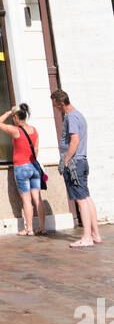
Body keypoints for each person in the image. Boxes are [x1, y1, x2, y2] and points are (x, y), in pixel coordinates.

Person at [51, 89, 102, 248]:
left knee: (81, 200)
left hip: (75, 163)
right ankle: (95, 234)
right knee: (86, 197)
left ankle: (87, 237)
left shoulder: (71, 117)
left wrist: (66, 159)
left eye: (56, 105)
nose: (56, 108)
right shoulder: (79, 115)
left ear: (61, 103)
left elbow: (75, 140)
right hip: (82, 161)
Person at [0, 102, 46, 236]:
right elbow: (36, 150)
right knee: (37, 198)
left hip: (21, 167)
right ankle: (42, 227)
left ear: (17, 117)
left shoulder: (15, 130)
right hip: (34, 167)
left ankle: (29, 229)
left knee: (26, 200)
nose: (13, 119)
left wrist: (8, 112)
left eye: (13, 117)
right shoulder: (34, 130)